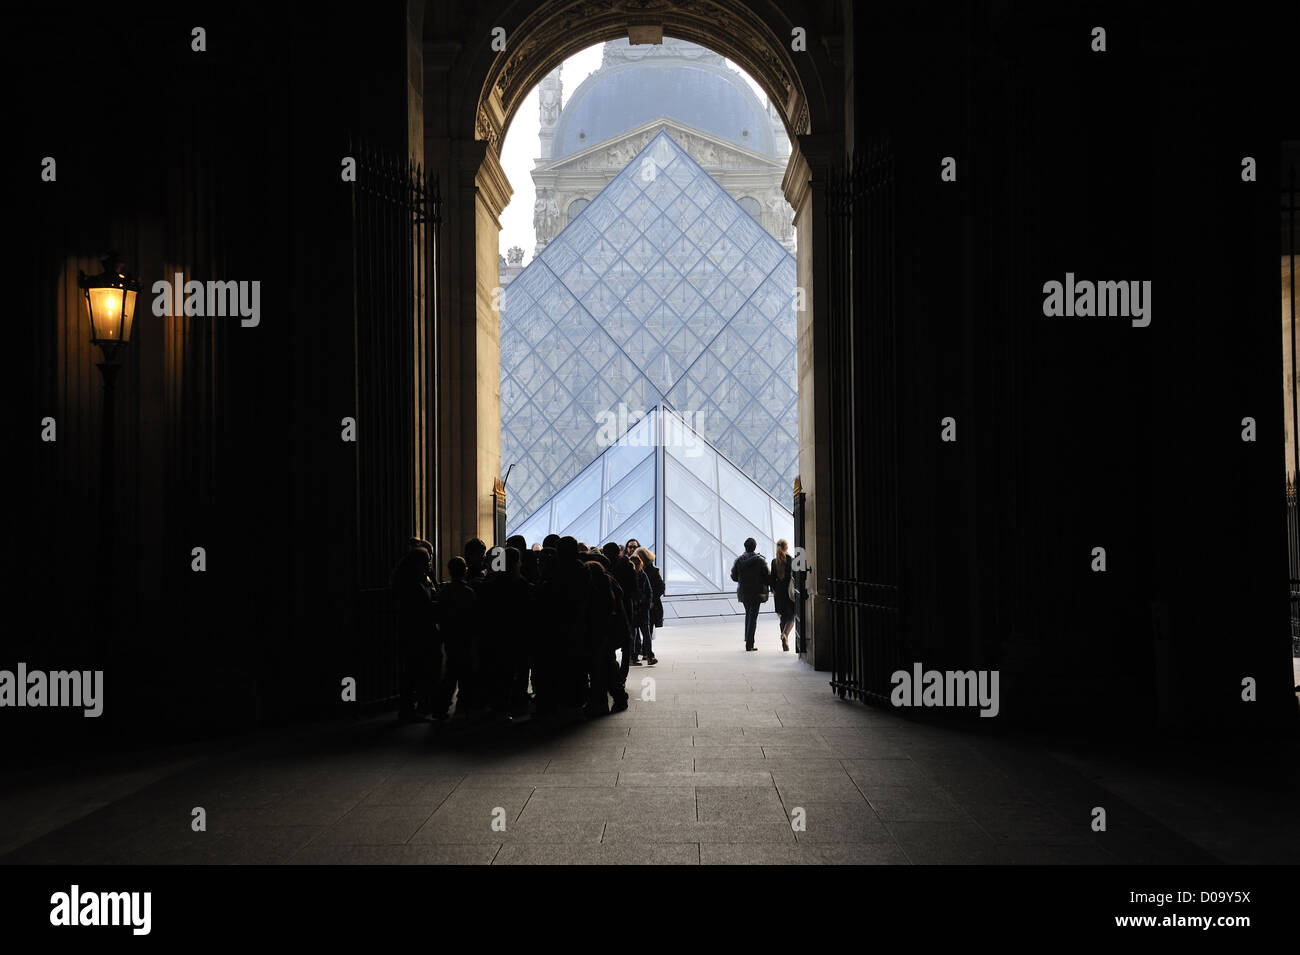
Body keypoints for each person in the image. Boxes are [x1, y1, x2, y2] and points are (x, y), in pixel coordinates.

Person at [391, 544, 438, 722]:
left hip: (410, 631)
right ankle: (417, 708)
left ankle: (410, 709)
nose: (429, 565)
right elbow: (426, 605)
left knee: (410, 672)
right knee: (419, 671)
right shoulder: (415, 583)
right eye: (427, 561)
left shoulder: (406, 580)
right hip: (419, 632)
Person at [435, 556, 478, 719]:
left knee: (450, 675)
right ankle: (463, 707)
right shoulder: (468, 592)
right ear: (464, 570)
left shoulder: (444, 591)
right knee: (466, 675)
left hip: (450, 637)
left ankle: (440, 708)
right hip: (465, 638)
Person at [730, 537, 770, 652]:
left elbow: (733, 576)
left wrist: (743, 580)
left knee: (748, 614)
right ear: (755, 547)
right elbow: (768, 577)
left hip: (744, 593)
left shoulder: (738, 560)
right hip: (757, 593)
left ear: (745, 547)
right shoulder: (761, 561)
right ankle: (749, 644)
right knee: (753, 617)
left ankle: (747, 639)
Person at [636, 546, 665, 653]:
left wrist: (652, 600)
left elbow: (660, 588)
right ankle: (644, 650)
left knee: (646, 628)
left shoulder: (651, 571)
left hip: (650, 605)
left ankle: (645, 650)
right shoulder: (638, 570)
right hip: (644, 603)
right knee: (644, 628)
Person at [629, 553, 656, 666]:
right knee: (645, 634)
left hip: (634, 609)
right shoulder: (643, 575)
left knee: (634, 635)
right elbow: (649, 591)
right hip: (643, 609)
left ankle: (634, 657)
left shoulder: (629, 576)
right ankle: (648, 656)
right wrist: (647, 602)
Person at [770, 539, 795, 652]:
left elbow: (772, 579)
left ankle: (785, 640)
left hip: (778, 592)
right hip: (788, 592)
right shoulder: (790, 559)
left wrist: (773, 590)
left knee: (783, 617)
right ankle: (785, 634)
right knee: (791, 616)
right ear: (786, 547)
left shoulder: (774, 561)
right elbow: (793, 576)